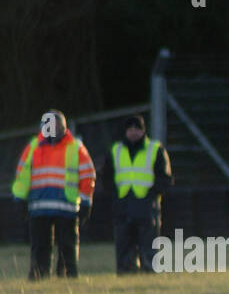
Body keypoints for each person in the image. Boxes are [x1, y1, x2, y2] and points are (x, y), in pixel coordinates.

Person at [11, 110, 95, 280]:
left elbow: (87, 175)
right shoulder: (34, 146)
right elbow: (23, 175)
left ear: (63, 127)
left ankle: (67, 277)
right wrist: (19, 199)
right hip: (39, 207)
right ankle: (39, 276)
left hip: (67, 206)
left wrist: (86, 202)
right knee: (40, 246)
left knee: (67, 246)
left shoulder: (75, 147)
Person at [100, 114, 173, 273]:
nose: (133, 132)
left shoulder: (155, 149)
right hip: (123, 205)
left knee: (149, 247)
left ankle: (149, 274)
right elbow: (105, 176)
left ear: (143, 130)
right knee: (124, 246)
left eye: (137, 128)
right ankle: (126, 273)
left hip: (147, 206)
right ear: (125, 131)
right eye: (130, 128)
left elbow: (165, 178)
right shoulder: (115, 150)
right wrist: (115, 194)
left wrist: (151, 194)